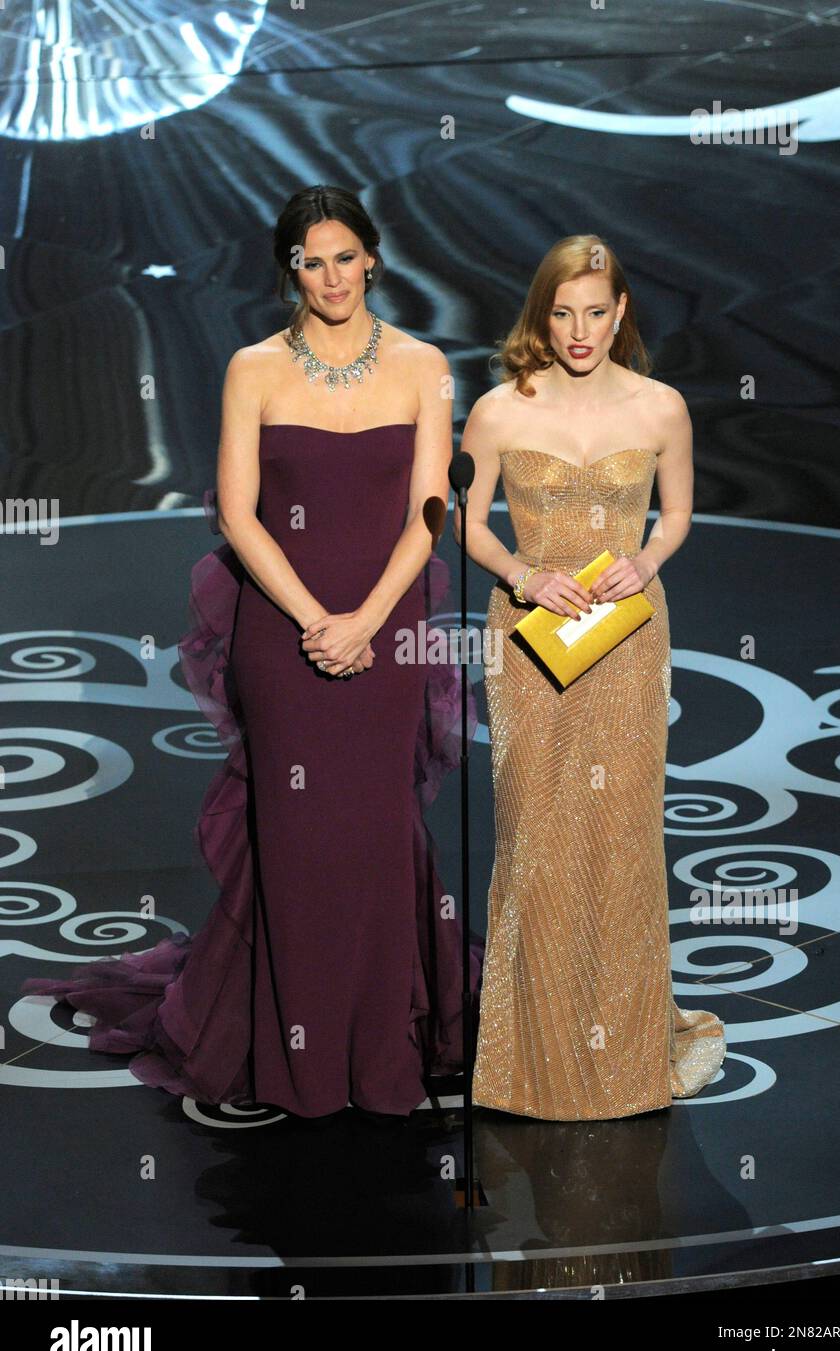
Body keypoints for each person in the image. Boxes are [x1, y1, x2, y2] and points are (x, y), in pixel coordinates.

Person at [23, 185, 480, 1126]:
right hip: (282, 635)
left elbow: (430, 513)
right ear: (289, 271)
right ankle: (294, 1053)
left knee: (377, 834)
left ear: (372, 258)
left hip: (387, 631)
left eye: (346, 257)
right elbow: (237, 513)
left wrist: (366, 622)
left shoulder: (423, 366)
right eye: (312, 262)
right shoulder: (254, 369)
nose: (332, 278)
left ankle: (379, 1049)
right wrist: (319, 620)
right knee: (299, 838)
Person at [457, 234, 725, 1121]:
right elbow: (466, 523)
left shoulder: (660, 407)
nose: (578, 331)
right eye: (562, 313)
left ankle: (622, 1052)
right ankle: (529, 1057)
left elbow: (677, 513)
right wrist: (523, 574)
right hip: (531, 637)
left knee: (619, 836)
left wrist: (645, 561)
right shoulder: (500, 409)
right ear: (542, 317)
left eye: (595, 313)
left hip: (626, 639)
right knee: (533, 831)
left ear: (620, 315)